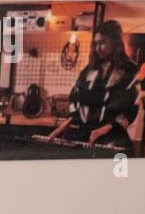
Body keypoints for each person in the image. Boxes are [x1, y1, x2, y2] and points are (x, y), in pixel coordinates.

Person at [46, 19, 138, 150]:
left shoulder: (129, 70)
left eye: (103, 43)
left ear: (116, 43)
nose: (97, 48)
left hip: (112, 138)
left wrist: (103, 130)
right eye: (95, 44)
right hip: (85, 136)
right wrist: (63, 126)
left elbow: (130, 109)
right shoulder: (90, 69)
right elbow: (76, 98)